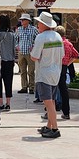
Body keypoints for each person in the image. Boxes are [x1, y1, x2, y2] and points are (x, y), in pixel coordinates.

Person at [30, 11, 64, 139]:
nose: (37, 24)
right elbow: (62, 55)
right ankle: (49, 126)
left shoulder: (41, 37)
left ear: (44, 24)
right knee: (52, 102)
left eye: (39, 22)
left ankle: (55, 129)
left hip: (44, 73)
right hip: (56, 73)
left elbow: (34, 57)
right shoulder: (58, 36)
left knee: (48, 104)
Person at [56, 20, 77, 121]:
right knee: (64, 90)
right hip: (64, 67)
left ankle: (49, 111)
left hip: (56, 66)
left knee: (52, 89)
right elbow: (76, 54)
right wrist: (68, 63)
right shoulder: (68, 43)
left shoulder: (57, 42)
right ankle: (66, 112)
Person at [0, 14, 17, 111]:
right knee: (9, 82)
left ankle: (0, 103)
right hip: (9, 60)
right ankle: (8, 103)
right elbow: (13, 48)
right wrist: (13, 59)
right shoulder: (12, 34)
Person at [16, 14, 37, 94]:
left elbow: (37, 39)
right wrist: (17, 46)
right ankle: (24, 87)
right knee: (22, 71)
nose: (21, 21)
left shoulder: (33, 29)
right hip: (21, 52)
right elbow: (15, 39)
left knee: (31, 71)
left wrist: (34, 46)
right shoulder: (19, 29)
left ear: (28, 21)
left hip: (30, 53)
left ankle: (32, 87)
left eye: (23, 20)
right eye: (21, 20)